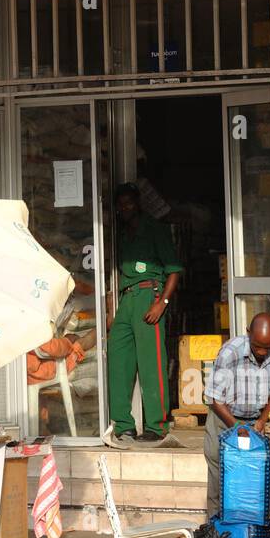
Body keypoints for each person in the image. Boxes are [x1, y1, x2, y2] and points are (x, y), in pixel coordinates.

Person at [106, 183, 182, 445]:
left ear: (138, 203)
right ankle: (123, 425)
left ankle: (156, 426)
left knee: (151, 362)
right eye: (121, 204)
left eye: (129, 203)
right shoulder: (122, 234)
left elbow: (173, 269)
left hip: (150, 295)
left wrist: (162, 302)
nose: (125, 208)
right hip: (126, 298)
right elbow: (113, 273)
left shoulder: (154, 229)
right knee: (118, 359)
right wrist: (110, 307)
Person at [203, 312, 270, 520]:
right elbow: (215, 398)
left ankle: (256, 530)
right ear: (248, 333)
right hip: (224, 418)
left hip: (256, 420)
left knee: (257, 476)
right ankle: (216, 533)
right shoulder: (230, 352)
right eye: (256, 346)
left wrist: (261, 421)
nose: (261, 352)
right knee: (220, 475)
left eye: (267, 348)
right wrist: (237, 428)